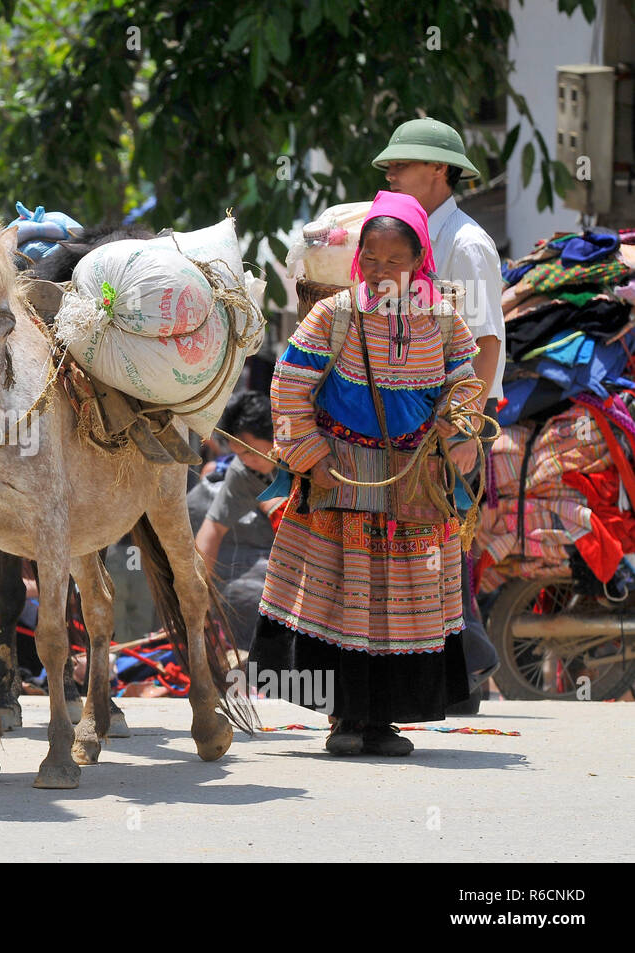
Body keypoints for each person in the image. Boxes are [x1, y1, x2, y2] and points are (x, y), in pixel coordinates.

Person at [250, 190, 479, 757]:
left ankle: (385, 722)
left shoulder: (444, 318)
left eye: (393, 262)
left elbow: (464, 386)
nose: (380, 272)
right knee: (347, 598)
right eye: (370, 260)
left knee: (403, 605)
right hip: (343, 478)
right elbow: (289, 385)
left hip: (416, 481)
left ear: (418, 260)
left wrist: (461, 433)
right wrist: (308, 455)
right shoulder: (335, 315)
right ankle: (345, 719)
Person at [374, 117, 504, 705]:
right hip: (413, 419)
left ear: (438, 171)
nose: (391, 174)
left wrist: (464, 428)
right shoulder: (413, 236)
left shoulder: (464, 244)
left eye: (401, 165)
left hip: (448, 420)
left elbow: (484, 343)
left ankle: (464, 667)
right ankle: (455, 674)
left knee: (436, 547)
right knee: (427, 545)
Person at [193, 391, 285, 651]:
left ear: (275, 435)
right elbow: (212, 529)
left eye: (252, 451)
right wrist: (198, 600)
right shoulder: (244, 470)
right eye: (239, 454)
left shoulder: (307, 454)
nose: (247, 460)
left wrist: (275, 505)